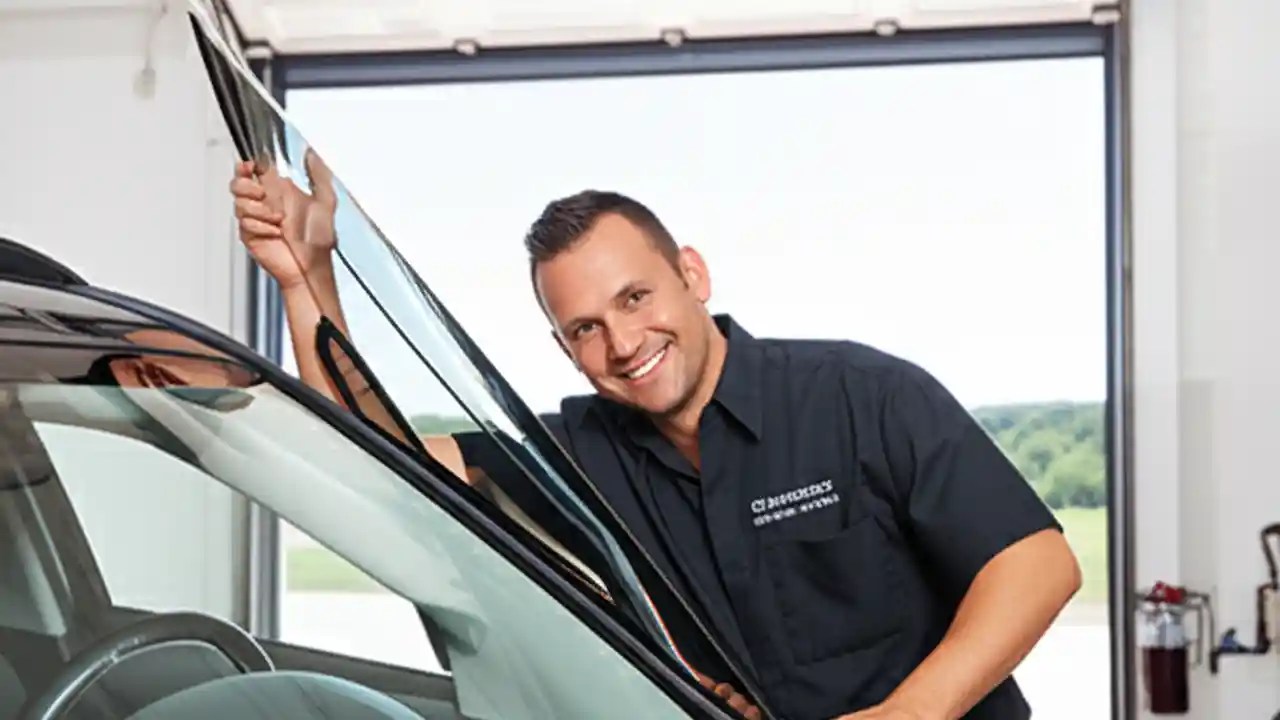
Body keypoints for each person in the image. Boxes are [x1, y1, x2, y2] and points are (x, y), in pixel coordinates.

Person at [230, 156, 1081, 720]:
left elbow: (1037, 563)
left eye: (636, 299)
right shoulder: (578, 458)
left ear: (693, 276)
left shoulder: (861, 394)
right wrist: (309, 281)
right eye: (585, 328)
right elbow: (390, 467)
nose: (623, 343)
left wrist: (906, 717)